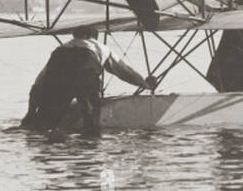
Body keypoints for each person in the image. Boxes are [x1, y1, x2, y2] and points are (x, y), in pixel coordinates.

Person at [22, 23, 158, 135]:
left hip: (58, 76)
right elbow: (124, 71)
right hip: (85, 74)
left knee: (45, 124)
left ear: (75, 36)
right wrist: (145, 84)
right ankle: (89, 141)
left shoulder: (62, 49)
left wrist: (31, 110)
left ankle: (42, 135)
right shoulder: (99, 46)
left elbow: (40, 82)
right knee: (90, 120)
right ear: (92, 36)